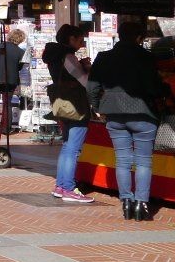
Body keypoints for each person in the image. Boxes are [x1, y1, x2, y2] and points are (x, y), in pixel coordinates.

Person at [87, 22, 169, 221]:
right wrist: (165, 91)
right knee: (143, 161)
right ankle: (141, 203)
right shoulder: (146, 57)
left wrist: (98, 107)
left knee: (122, 160)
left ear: (119, 35)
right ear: (139, 38)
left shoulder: (104, 57)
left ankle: (126, 201)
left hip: (113, 113)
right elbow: (154, 87)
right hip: (143, 113)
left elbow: (92, 87)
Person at [44, 24, 93, 203]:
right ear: (71, 39)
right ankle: (69, 188)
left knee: (67, 146)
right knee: (73, 148)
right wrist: (87, 68)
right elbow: (84, 81)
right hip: (76, 105)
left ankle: (61, 186)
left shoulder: (54, 56)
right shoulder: (68, 56)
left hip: (61, 104)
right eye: (80, 40)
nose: (81, 44)